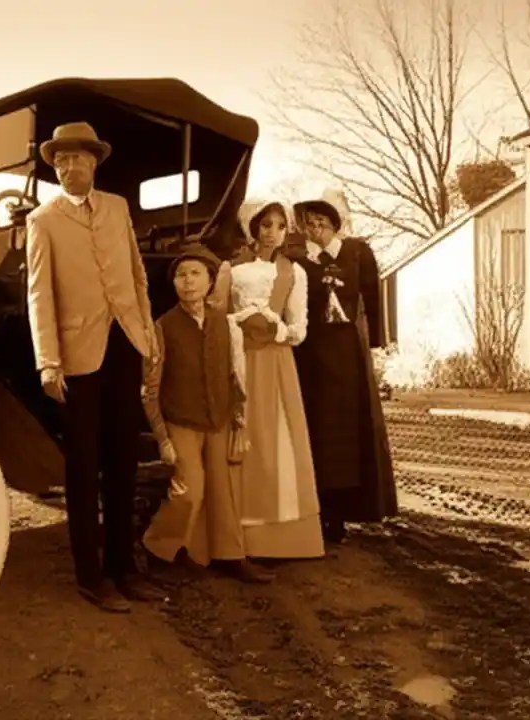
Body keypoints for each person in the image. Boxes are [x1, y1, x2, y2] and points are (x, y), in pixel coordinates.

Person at [24, 121, 166, 612]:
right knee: (84, 468)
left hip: (125, 342)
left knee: (123, 461)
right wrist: (49, 362)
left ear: (94, 162)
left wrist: (146, 335)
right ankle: (91, 576)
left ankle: (125, 569)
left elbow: (136, 274)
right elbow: (39, 295)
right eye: (59, 161)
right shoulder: (43, 220)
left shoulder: (117, 207)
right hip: (79, 354)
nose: (66, 167)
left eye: (76, 158)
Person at [140, 244, 274, 583]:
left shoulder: (225, 325)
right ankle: (158, 551)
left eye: (196, 274)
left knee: (224, 492)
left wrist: (239, 422)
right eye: (181, 276)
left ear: (211, 281)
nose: (188, 282)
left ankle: (230, 555)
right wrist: (162, 439)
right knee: (189, 490)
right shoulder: (163, 327)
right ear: (173, 284)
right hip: (181, 422)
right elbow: (150, 389)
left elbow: (235, 376)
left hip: (220, 420)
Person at [290, 189, 397, 544]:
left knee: (349, 435)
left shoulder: (356, 252)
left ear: (335, 225)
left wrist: (377, 344)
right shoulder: (298, 261)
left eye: (322, 223)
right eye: (310, 224)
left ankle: (345, 512)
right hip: (310, 358)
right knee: (316, 432)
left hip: (349, 357)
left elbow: (372, 295)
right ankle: (318, 511)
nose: (316, 229)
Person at [230, 200, 325, 560]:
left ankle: (283, 535)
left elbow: (299, 328)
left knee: (278, 443)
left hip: (276, 362)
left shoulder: (293, 273)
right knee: (244, 439)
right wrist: (242, 320)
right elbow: (219, 316)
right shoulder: (231, 271)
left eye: (280, 226)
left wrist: (276, 326)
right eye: (265, 224)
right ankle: (237, 533)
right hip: (240, 360)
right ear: (252, 227)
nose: (272, 232)